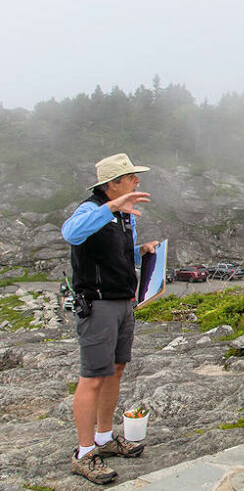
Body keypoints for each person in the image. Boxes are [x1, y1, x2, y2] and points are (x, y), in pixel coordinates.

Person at [61, 153, 158, 484]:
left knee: (115, 371)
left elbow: (115, 255)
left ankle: (104, 438)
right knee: (93, 377)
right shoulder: (92, 209)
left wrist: (139, 252)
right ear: (113, 183)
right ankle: (84, 452)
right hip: (98, 304)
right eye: (131, 177)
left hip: (122, 302)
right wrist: (112, 209)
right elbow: (71, 233)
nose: (137, 181)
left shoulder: (124, 216)